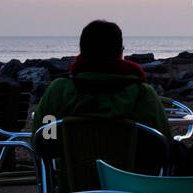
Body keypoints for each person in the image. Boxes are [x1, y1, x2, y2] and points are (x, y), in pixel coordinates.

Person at [32, 19, 171, 139]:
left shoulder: (58, 91)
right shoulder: (143, 94)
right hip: (128, 170)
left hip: (73, 170)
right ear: (120, 52)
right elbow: (164, 142)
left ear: (82, 51)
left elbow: (44, 140)